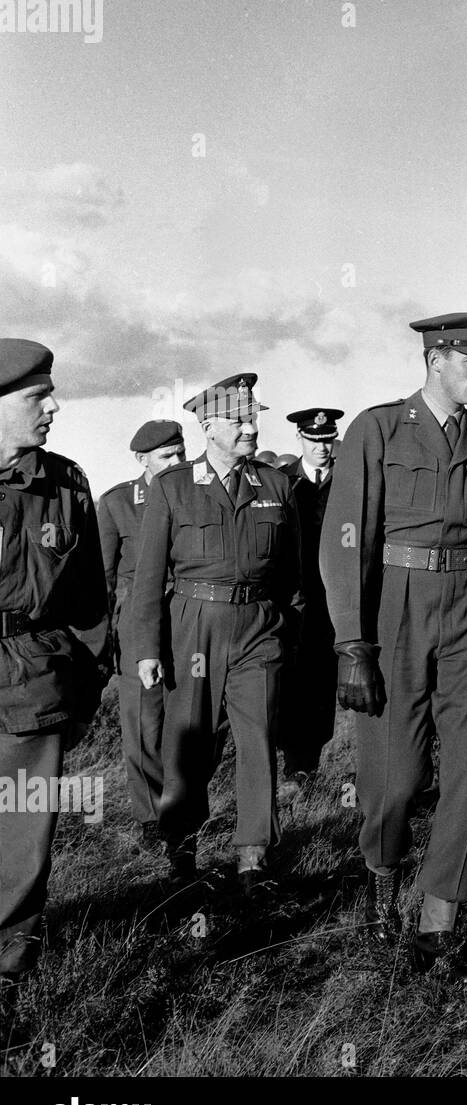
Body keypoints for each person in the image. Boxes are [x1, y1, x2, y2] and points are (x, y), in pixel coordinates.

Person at [320, 311, 467, 981]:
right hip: (395, 608)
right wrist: (352, 641)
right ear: (437, 358)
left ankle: (440, 923)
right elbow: (346, 539)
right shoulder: (376, 430)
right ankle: (383, 882)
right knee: (397, 778)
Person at [133, 374, 303, 894]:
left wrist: (287, 630)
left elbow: (293, 573)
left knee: (259, 740)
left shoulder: (275, 485)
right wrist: (146, 647)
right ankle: (181, 848)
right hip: (194, 628)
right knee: (190, 740)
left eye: (254, 419)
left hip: (259, 627)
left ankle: (253, 858)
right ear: (210, 428)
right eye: (240, 420)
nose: (252, 428)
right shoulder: (173, 486)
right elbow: (148, 576)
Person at [0, 339, 112, 986]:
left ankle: (7, 981)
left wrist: (87, 682)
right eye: (37, 396)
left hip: (34, 682)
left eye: (51, 392)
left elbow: (90, 602)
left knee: (22, 846)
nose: (54, 406)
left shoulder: (65, 484)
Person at [97, 420, 187, 845]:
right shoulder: (117, 504)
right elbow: (104, 579)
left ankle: (182, 806)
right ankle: (150, 817)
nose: (177, 463)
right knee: (143, 723)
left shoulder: (193, 492)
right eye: (167, 457)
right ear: (141, 459)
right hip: (137, 624)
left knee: (185, 716)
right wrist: (106, 642)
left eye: (181, 454)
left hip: (186, 619)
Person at [278, 407, 344, 788]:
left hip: (334, 599)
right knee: (291, 680)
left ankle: (307, 767)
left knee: (322, 681)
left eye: (327, 440)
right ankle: (290, 764)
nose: (322, 447)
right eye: (314, 440)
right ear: (300, 440)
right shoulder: (283, 482)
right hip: (293, 598)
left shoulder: (349, 480)